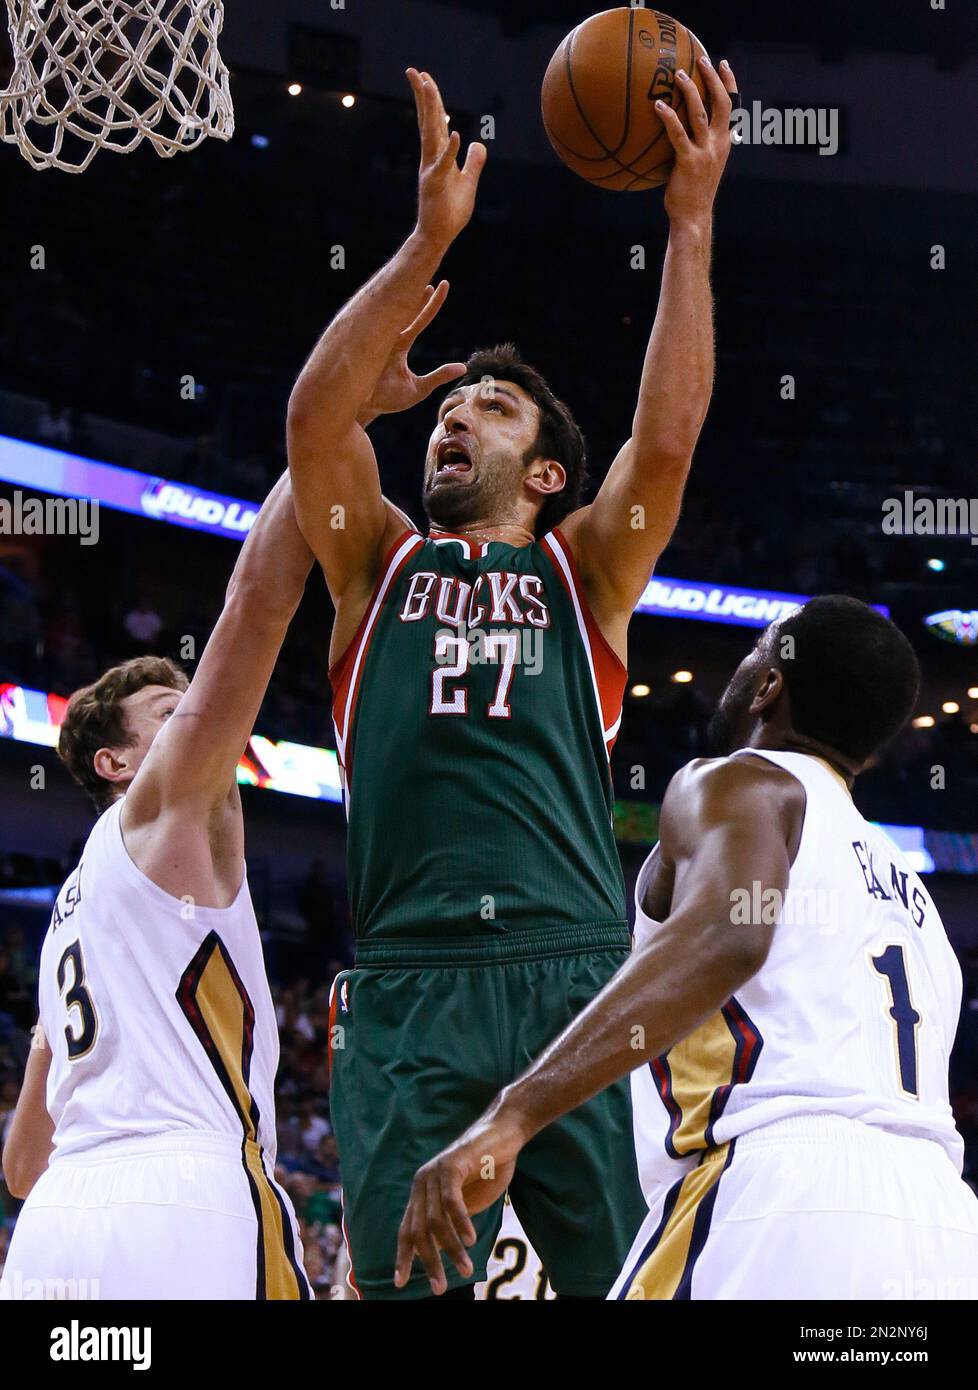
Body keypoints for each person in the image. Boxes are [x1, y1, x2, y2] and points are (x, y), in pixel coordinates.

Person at [288, 60, 737, 1299]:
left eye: (490, 410)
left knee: (622, 1286)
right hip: (408, 982)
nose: (455, 418)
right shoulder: (372, 563)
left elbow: (668, 441)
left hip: (575, 971)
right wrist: (427, 239)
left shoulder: (582, 573)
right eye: (452, 407)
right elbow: (318, 428)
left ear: (545, 475)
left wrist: (689, 224)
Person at [394, 597, 978, 1300]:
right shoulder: (917, 902)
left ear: (769, 686)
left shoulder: (741, 780)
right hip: (944, 1226)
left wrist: (513, 1114)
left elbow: (729, 934)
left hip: (780, 1200)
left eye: (753, 653)